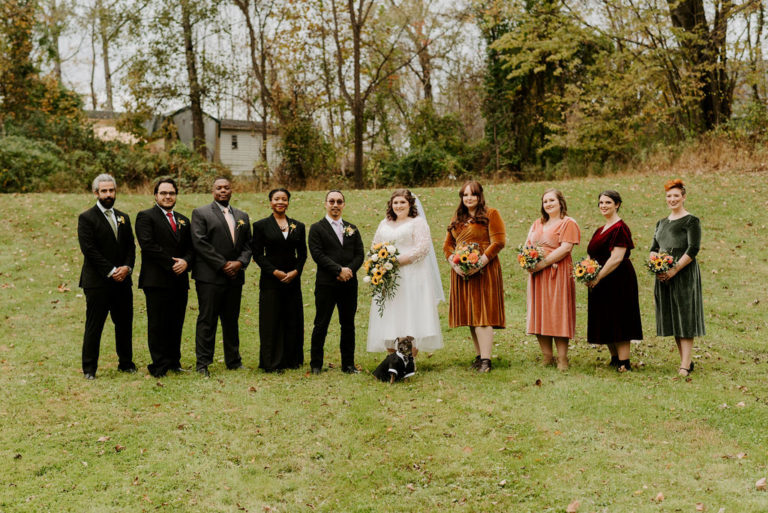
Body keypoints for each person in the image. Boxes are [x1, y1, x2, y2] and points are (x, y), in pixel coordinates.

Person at [366, 189, 444, 355]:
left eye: (403, 202)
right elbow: (375, 246)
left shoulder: (418, 223)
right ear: (391, 205)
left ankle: (409, 359)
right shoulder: (384, 223)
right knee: (390, 313)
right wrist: (378, 263)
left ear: (410, 205)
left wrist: (396, 261)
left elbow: (422, 248)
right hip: (389, 277)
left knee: (410, 314)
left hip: (412, 275)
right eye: (396, 202)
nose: (399, 206)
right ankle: (392, 358)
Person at [190, 177, 252, 377]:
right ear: (212, 191)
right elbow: (200, 243)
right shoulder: (201, 213)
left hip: (234, 277)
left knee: (231, 320)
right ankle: (203, 363)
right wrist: (223, 264)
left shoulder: (242, 215)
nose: (223, 191)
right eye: (219, 188)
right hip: (210, 277)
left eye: (226, 187)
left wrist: (240, 263)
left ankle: (233, 360)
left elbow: (248, 245)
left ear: (231, 190)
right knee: (207, 320)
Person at [77, 173, 136, 379]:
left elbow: (130, 247)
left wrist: (127, 267)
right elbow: (89, 250)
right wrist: (112, 271)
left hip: (123, 281)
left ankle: (126, 363)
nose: (108, 194)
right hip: (98, 282)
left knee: (124, 323)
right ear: (96, 193)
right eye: (104, 191)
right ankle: (90, 369)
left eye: (111, 190)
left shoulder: (124, 217)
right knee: (95, 325)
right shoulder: (86, 218)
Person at [443, 180, 506, 373]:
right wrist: (455, 264)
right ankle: (479, 357)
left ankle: (487, 361)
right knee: (471, 315)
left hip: (485, 271)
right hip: (462, 272)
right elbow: (447, 246)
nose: (469, 198)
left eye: (473, 194)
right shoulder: (457, 218)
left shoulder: (491, 214)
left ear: (480, 196)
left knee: (483, 315)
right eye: (465, 195)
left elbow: (499, 242)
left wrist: (478, 263)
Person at [134, 178, 194, 377]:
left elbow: (192, 248)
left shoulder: (184, 220)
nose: (168, 197)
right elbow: (149, 246)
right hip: (157, 280)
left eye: (171, 193)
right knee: (158, 323)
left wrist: (186, 262)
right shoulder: (145, 217)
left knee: (176, 322)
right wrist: (173, 264)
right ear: (155, 195)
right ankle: (159, 365)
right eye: (163, 193)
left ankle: (173, 361)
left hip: (179, 281)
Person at [650, 179, 705, 377]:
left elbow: (693, 248)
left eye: (676, 196)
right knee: (674, 317)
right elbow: (654, 248)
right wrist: (656, 265)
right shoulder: (662, 223)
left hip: (683, 274)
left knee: (685, 316)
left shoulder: (691, 221)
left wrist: (675, 269)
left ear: (683, 197)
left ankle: (684, 365)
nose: (672, 199)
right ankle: (686, 361)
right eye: (668, 196)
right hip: (664, 275)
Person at [584, 190, 643, 372]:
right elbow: (591, 253)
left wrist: (598, 276)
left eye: (608, 202)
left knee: (620, 317)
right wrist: (586, 272)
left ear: (617, 204)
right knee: (604, 317)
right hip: (599, 280)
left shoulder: (620, 228)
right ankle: (615, 358)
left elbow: (617, 257)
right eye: (601, 202)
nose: (603, 205)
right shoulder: (599, 230)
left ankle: (625, 362)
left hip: (618, 278)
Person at [308, 190, 364, 374]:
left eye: (339, 201)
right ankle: (316, 364)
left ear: (344, 205)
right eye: (331, 201)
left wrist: (349, 271)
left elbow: (359, 254)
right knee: (321, 324)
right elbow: (318, 254)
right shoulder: (317, 228)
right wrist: (338, 270)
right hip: (326, 284)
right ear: (325, 204)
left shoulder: (352, 228)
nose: (335, 205)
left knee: (348, 324)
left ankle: (348, 364)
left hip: (349, 284)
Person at [251, 188, 307, 372]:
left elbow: (303, 254)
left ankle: (291, 359)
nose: (280, 202)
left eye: (284, 199)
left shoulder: (298, 226)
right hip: (271, 280)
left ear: (288, 202)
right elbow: (258, 254)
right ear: (270, 202)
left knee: (292, 318)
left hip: (292, 280)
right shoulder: (261, 226)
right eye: (276, 199)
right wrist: (274, 271)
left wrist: (295, 272)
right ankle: (271, 362)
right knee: (271, 320)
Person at [525, 188, 580, 371]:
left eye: (552, 201)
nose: (548, 204)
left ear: (560, 202)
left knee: (558, 314)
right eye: (545, 201)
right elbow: (527, 246)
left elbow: (565, 248)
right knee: (539, 313)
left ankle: (562, 358)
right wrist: (527, 261)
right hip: (537, 275)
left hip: (557, 273)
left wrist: (544, 263)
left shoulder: (568, 223)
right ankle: (547, 356)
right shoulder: (537, 223)